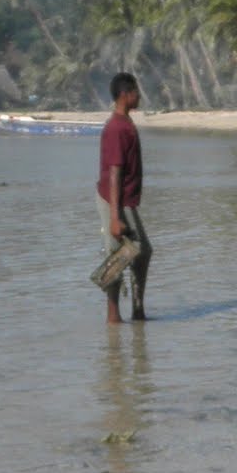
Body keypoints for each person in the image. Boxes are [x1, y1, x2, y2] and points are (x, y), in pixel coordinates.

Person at [96, 72, 152, 324]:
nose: (139, 96)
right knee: (118, 255)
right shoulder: (117, 127)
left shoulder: (124, 123)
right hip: (114, 200)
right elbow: (114, 172)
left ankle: (137, 311)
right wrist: (115, 217)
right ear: (125, 95)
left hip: (124, 199)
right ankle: (113, 316)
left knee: (140, 252)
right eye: (135, 91)